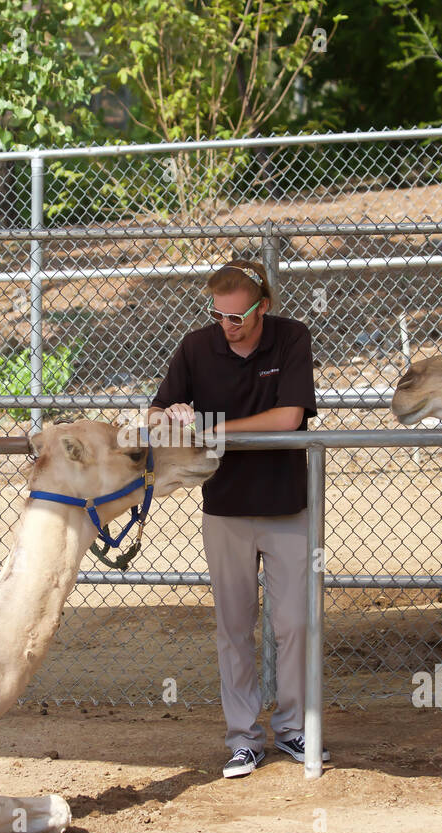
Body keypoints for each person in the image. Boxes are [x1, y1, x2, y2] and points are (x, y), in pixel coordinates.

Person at [148, 259, 330, 779]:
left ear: (263, 307)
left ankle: (295, 728)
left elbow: (288, 417)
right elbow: (154, 414)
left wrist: (211, 428)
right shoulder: (196, 346)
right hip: (224, 507)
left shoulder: (292, 338)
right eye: (220, 316)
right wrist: (174, 417)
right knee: (233, 627)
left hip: (286, 504)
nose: (228, 326)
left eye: (238, 316)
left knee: (295, 621)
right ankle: (245, 738)